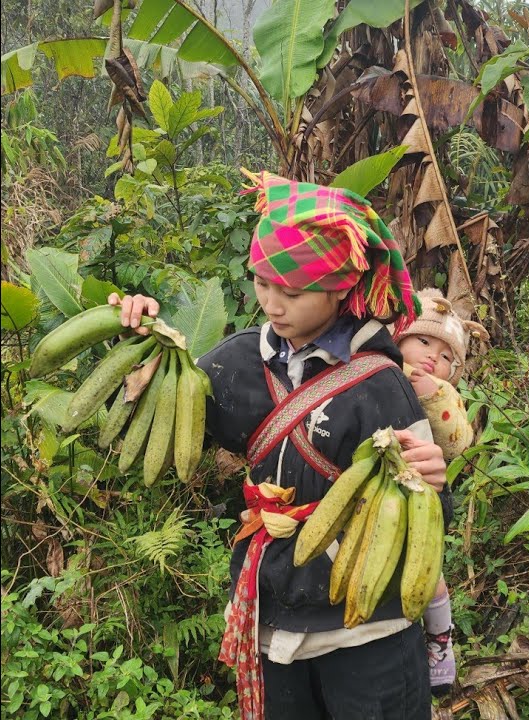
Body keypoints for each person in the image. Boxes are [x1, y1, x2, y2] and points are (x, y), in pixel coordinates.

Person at [110, 170, 451, 720]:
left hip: (369, 632)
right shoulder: (235, 362)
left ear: (340, 286)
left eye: (291, 291)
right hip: (272, 621)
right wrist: (138, 349)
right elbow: (159, 427)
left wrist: (431, 482)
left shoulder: (380, 384)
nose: (271, 302)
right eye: (262, 282)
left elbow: (434, 519)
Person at [395, 287, 489, 695]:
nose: (435, 356)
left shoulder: (443, 390)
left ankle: (440, 644)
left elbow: (456, 439)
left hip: (425, 493)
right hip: (379, 489)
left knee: (428, 572)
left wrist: (433, 397)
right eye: (424, 341)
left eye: (448, 356)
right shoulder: (379, 367)